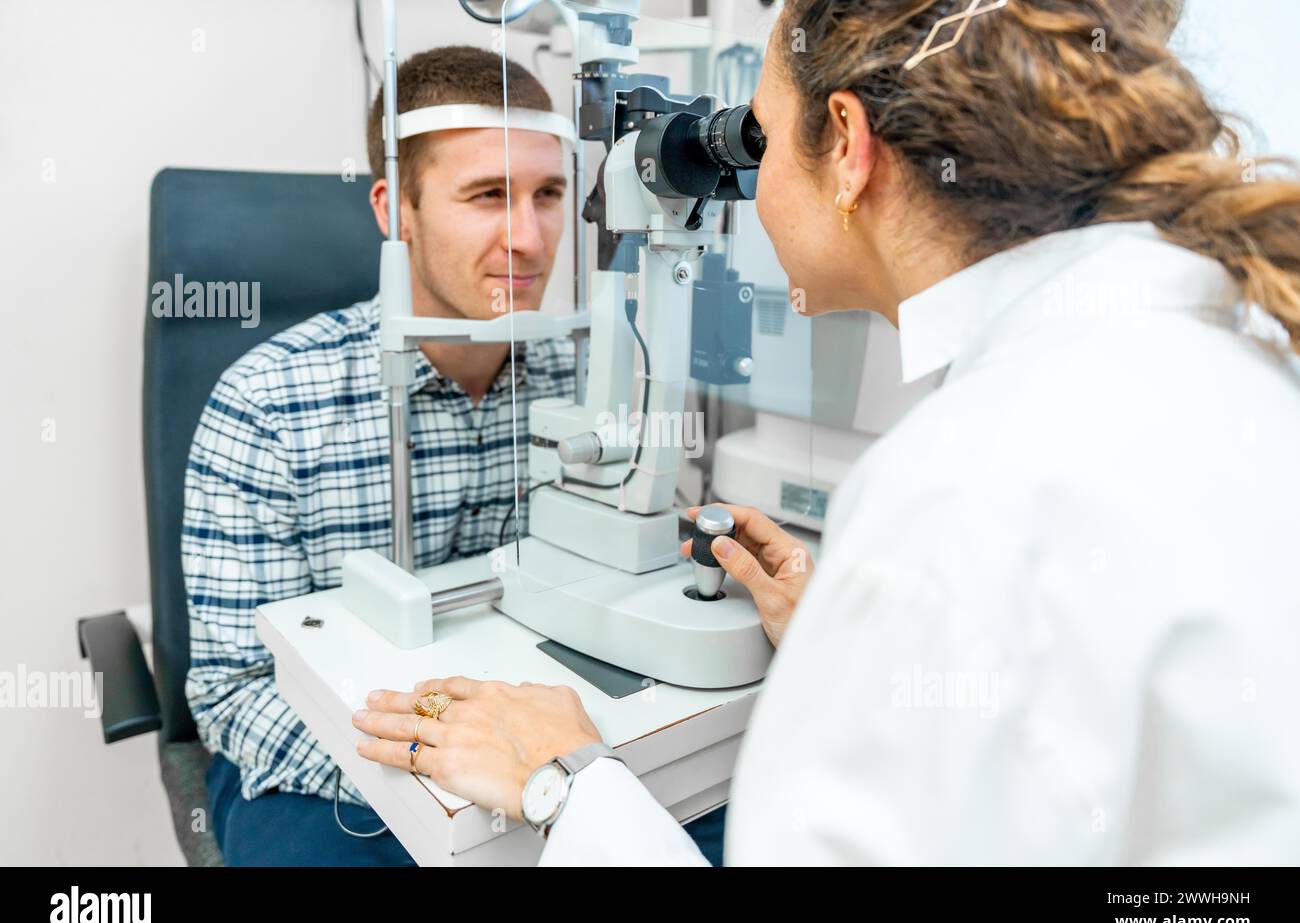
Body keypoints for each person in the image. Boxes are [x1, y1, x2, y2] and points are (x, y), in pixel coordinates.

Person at [352, 0, 1300, 865]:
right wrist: (857, 637)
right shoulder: (1212, 350)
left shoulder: (959, 488)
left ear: (846, 145)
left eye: (761, 136)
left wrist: (566, 785)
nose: (751, 182)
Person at [183, 43, 722, 866]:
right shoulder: (268, 405)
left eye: (549, 195)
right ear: (394, 210)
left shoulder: (589, 381)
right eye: (487, 195)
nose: (529, 238)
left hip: (540, 753)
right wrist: (443, 783)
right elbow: (233, 693)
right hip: (336, 770)